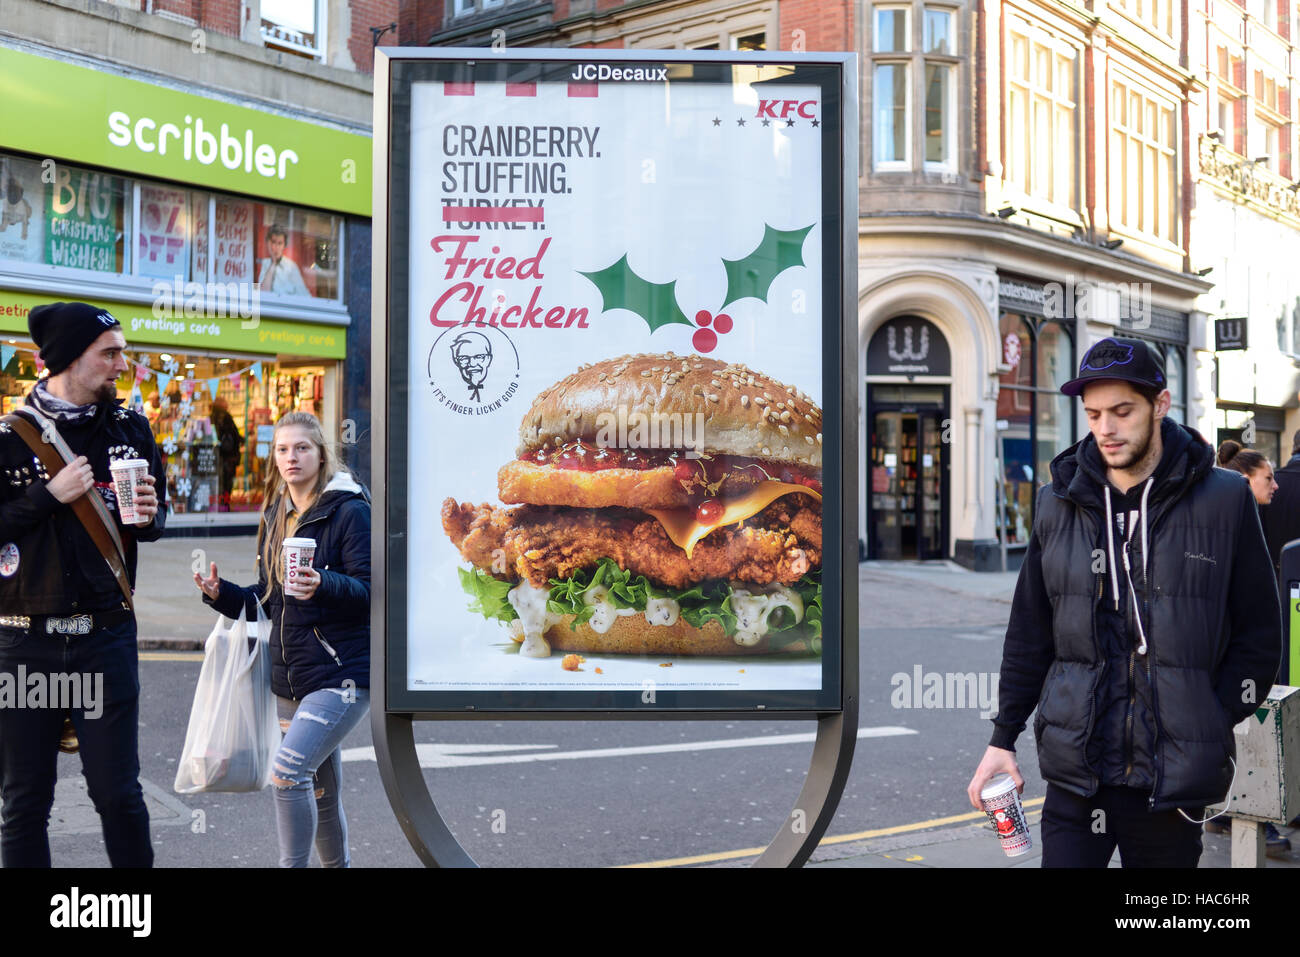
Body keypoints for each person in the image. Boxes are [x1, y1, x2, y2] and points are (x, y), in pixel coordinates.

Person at [966, 336, 1281, 867]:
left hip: (1170, 782)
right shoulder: (1058, 500)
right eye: (1093, 414)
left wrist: (1209, 712)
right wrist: (1003, 738)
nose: (1106, 429)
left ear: (1161, 404)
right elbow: (1029, 632)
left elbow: (1260, 633)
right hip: (1078, 775)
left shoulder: (1225, 499)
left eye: (1122, 411)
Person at [0, 301, 166, 867]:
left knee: (118, 796)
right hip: (24, 642)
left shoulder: (130, 429)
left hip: (104, 637)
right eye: (110, 353)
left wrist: (149, 517)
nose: (123, 363)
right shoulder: (8, 439)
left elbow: (152, 521)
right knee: (24, 802)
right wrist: (48, 496)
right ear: (70, 358)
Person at [193, 411, 369, 867]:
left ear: (321, 453)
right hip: (291, 677)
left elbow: (371, 593)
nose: (292, 457)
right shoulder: (277, 514)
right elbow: (270, 597)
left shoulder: (349, 510)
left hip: (341, 673)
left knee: (288, 774)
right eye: (283, 449)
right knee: (321, 790)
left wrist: (323, 584)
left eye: (302, 448)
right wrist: (221, 595)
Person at [1214, 439, 1291, 854]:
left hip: (1234, 653)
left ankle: (1224, 810)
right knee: (1244, 733)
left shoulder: (1248, 517)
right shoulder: (1232, 522)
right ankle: (1241, 811)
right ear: (1245, 480)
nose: (1275, 485)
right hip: (1229, 654)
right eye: (1268, 477)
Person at [209, 396, 244, 510]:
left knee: (218, 483)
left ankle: (218, 504)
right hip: (229, 458)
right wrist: (242, 439)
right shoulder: (226, 417)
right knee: (227, 484)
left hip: (216, 457)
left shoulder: (211, 418)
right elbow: (234, 435)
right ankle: (225, 505)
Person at [256, 224, 311, 297]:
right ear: (268, 243)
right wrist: (273, 264)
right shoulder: (265, 263)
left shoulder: (291, 266)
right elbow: (262, 293)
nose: (276, 247)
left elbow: (304, 294)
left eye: (280, 243)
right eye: (273, 242)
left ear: (284, 245)